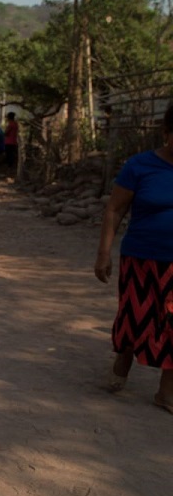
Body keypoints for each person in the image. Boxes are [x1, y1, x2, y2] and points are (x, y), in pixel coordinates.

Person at [95, 101, 173, 414]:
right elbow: (114, 210)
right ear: (167, 132)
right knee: (135, 316)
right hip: (141, 258)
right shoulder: (140, 166)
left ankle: (166, 392)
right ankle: (125, 354)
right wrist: (104, 253)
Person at [3, 112, 20, 176]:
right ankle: (11, 169)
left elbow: (6, 133)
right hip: (14, 142)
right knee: (12, 155)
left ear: (8, 117)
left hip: (9, 142)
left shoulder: (10, 124)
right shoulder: (16, 124)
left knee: (8, 156)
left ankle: (9, 169)